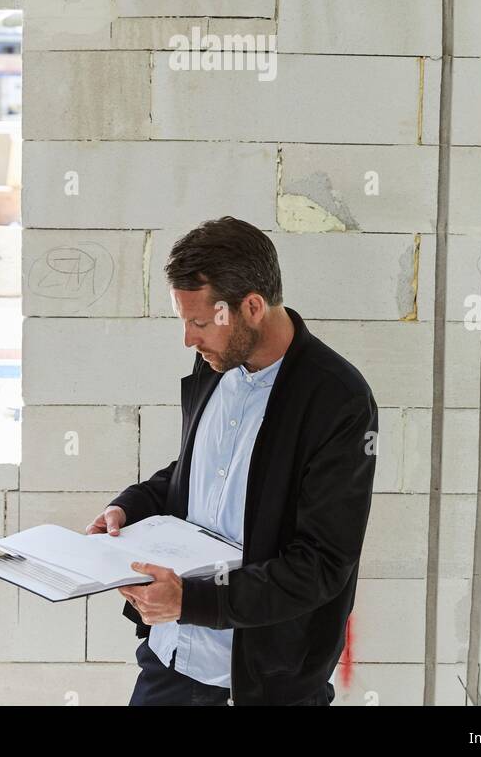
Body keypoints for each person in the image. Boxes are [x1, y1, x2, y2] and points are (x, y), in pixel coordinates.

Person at [85, 216, 379, 707]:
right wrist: (131, 506)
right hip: (172, 658)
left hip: (264, 680)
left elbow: (323, 565)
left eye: (199, 323)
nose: (189, 340)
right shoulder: (216, 363)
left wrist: (192, 601)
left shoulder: (338, 400)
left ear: (252, 307)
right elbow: (198, 474)